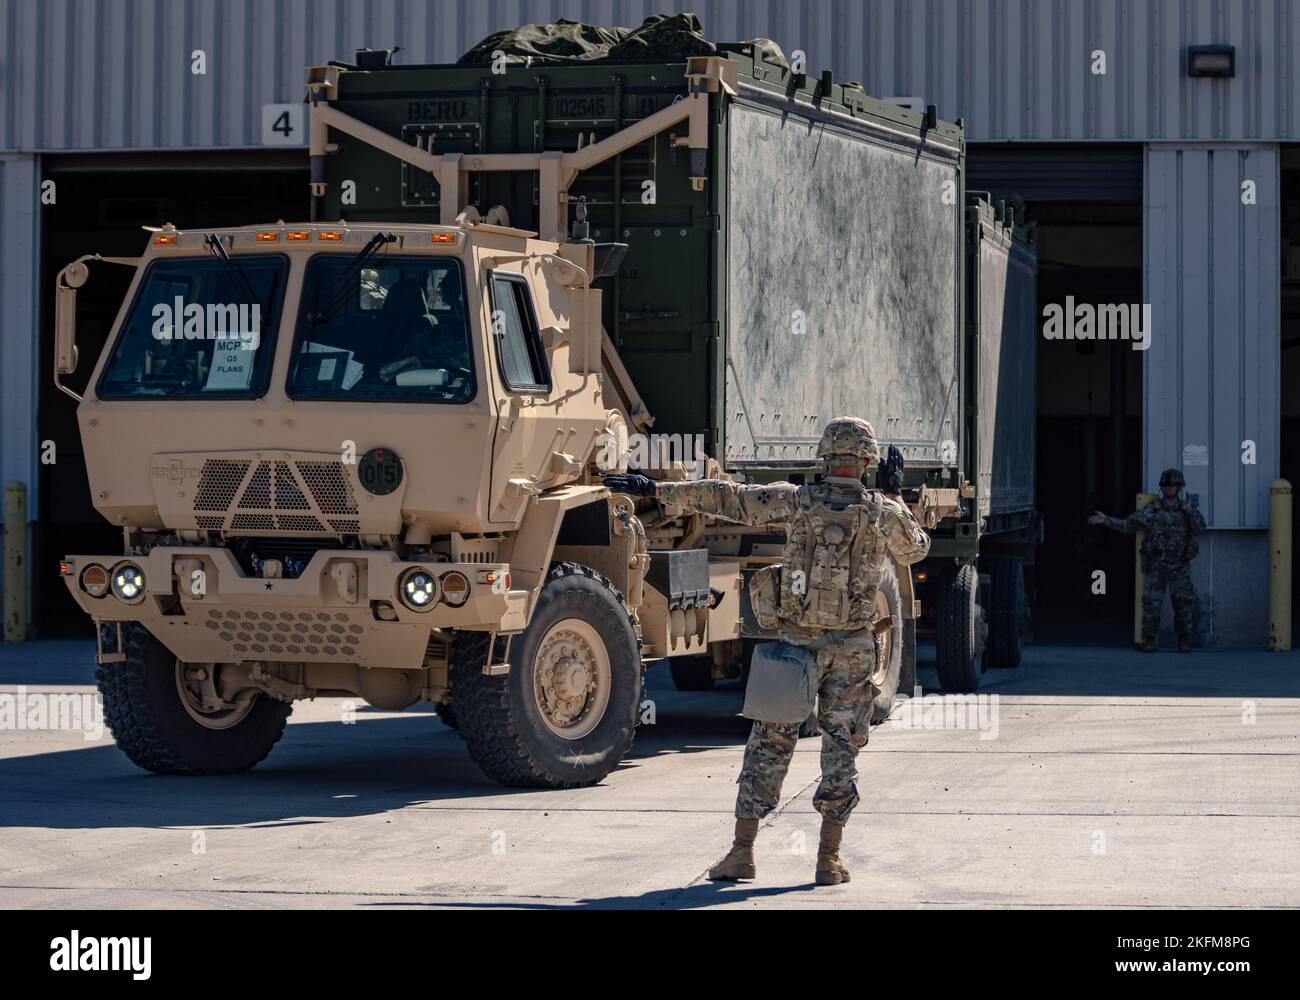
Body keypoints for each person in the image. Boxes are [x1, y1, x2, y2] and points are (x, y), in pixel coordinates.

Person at [604, 417, 930, 885]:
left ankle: (742, 853)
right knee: (842, 751)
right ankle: (828, 859)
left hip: (796, 644)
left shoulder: (796, 502)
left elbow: (728, 499)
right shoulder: (883, 512)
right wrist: (896, 495)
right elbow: (916, 549)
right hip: (854, 650)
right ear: (867, 462)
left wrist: (656, 489)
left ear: (824, 458)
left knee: (769, 745)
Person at [1088, 468, 1206, 652]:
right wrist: (1106, 520)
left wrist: (1189, 511)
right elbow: (1128, 526)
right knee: (1151, 603)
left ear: (1179, 487)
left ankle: (1183, 640)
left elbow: (1200, 529)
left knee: (1183, 603)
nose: (1169, 488)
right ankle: (1150, 639)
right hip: (1157, 564)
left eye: (1173, 485)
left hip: (1179, 565)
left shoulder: (1186, 510)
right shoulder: (1152, 510)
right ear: (1162, 487)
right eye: (1165, 485)